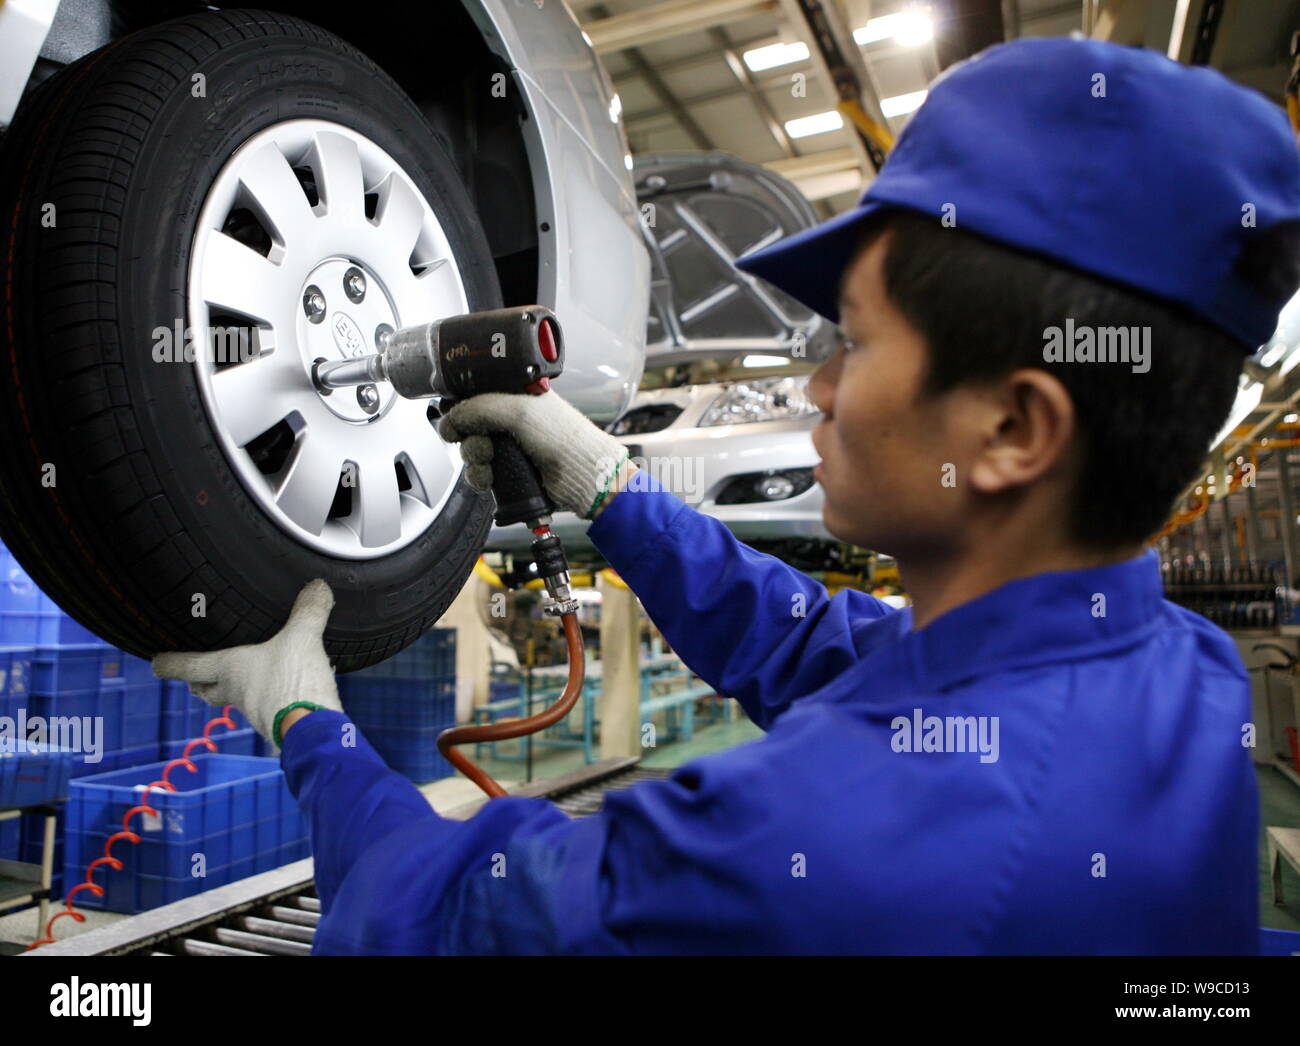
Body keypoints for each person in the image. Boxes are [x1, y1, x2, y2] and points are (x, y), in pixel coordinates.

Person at [154, 37, 1300, 954]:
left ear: (1011, 428)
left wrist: (308, 727)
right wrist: (612, 491)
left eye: (854, 342)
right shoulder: (1169, 668)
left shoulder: (819, 855)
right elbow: (821, 649)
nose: (818, 383)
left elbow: (442, 912)